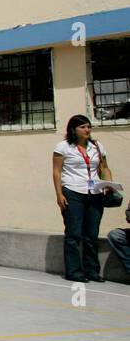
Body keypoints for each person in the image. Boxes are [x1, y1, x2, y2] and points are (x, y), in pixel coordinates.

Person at [54, 114, 113, 283]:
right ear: (73, 129)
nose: (87, 130)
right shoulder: (64, 147)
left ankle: (92, 271)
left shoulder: (97, 146)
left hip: (94, 193)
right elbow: (57, 172)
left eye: (88, 126)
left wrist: (108, 183)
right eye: (83, 127)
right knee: (74, 234)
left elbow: (105, 167)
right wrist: (59, 194)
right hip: (73, 192)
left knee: (91, 235)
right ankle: (74, 272)